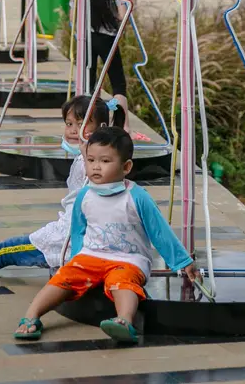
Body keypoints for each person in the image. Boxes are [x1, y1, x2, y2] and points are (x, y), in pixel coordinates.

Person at [13, 126, 201, 343]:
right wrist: (75, 259)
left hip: (128, 260)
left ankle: (124, 321)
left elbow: (160, 232)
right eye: (91, 160)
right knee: (64, 277)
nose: (95, 167)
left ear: (126, 166)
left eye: (105, 161)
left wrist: (182, 261)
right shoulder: (85, 195)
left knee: (123, 282)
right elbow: (78, 231)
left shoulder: (137, 197)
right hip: (90, 255)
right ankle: (31, 316)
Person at [0, 96, 125, 275]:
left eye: (81, 124)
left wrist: (87, 154)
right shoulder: (92, 158)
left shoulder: (93, 164)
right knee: (11, 248)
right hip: (64, 235)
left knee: (8, 251)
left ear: (102, 127)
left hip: (63, 242)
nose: (74, 130)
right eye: (69, 123)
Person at [89, 0, 128, 112]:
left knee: (87, 81)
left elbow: (73, 13)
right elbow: (123, 13)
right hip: (109, 37)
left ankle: (86, 120)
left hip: (87, 37)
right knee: (117, 82)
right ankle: (122, 124)